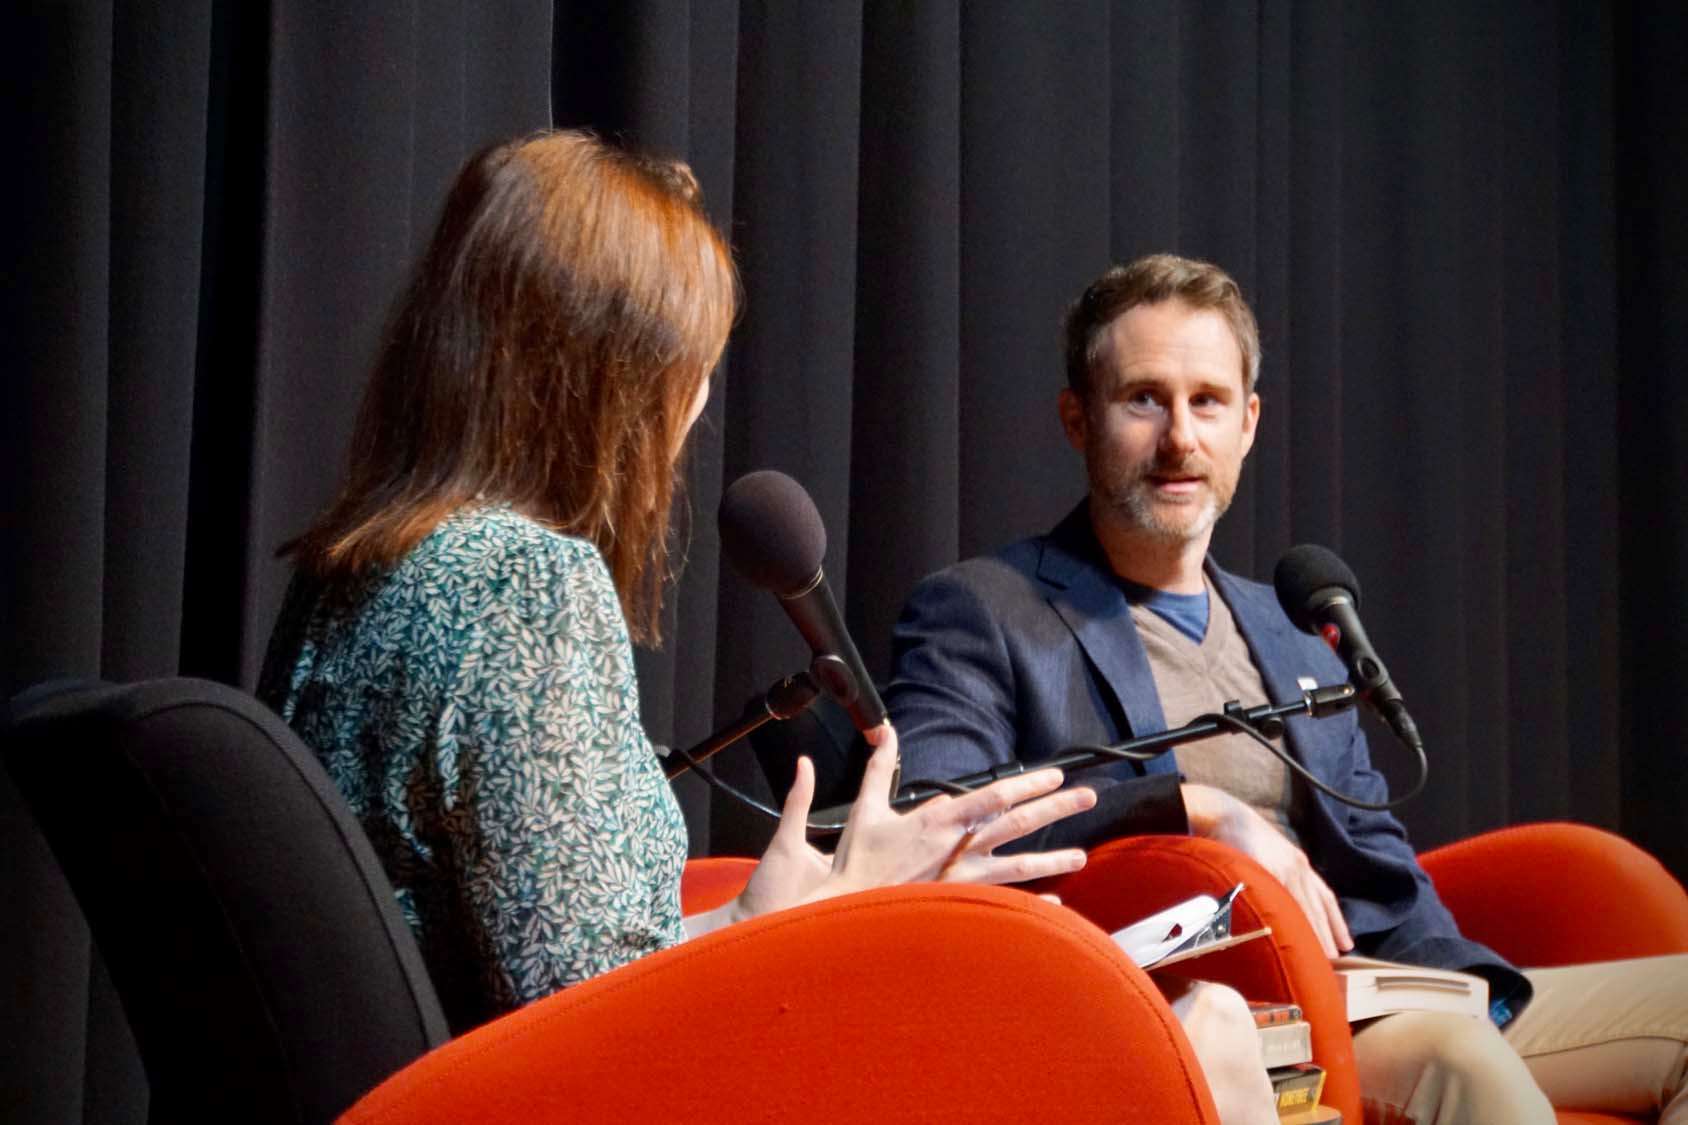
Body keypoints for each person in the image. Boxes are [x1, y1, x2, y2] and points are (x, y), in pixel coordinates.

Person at [257, 130, 1097, 1036]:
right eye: (688, 365)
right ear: (608, 374)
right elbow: (599, 1033)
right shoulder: (529, 584)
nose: (696, 404)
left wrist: (755, 920)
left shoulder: (348, 569)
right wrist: (852, 903)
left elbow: (552, 968)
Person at [886, 252, 1688, 1124]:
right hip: (1213, 1011)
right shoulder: (983, 608)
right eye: (1143, 398)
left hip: (1374, 987)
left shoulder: (1291, 624)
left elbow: (1376, 857)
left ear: (1249, 422)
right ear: (1078, 420)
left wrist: (1470, 992)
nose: (1181, 438)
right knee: (1462, 1066)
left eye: (1208, 401)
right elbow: (935, 815)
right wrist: (1189, 806)